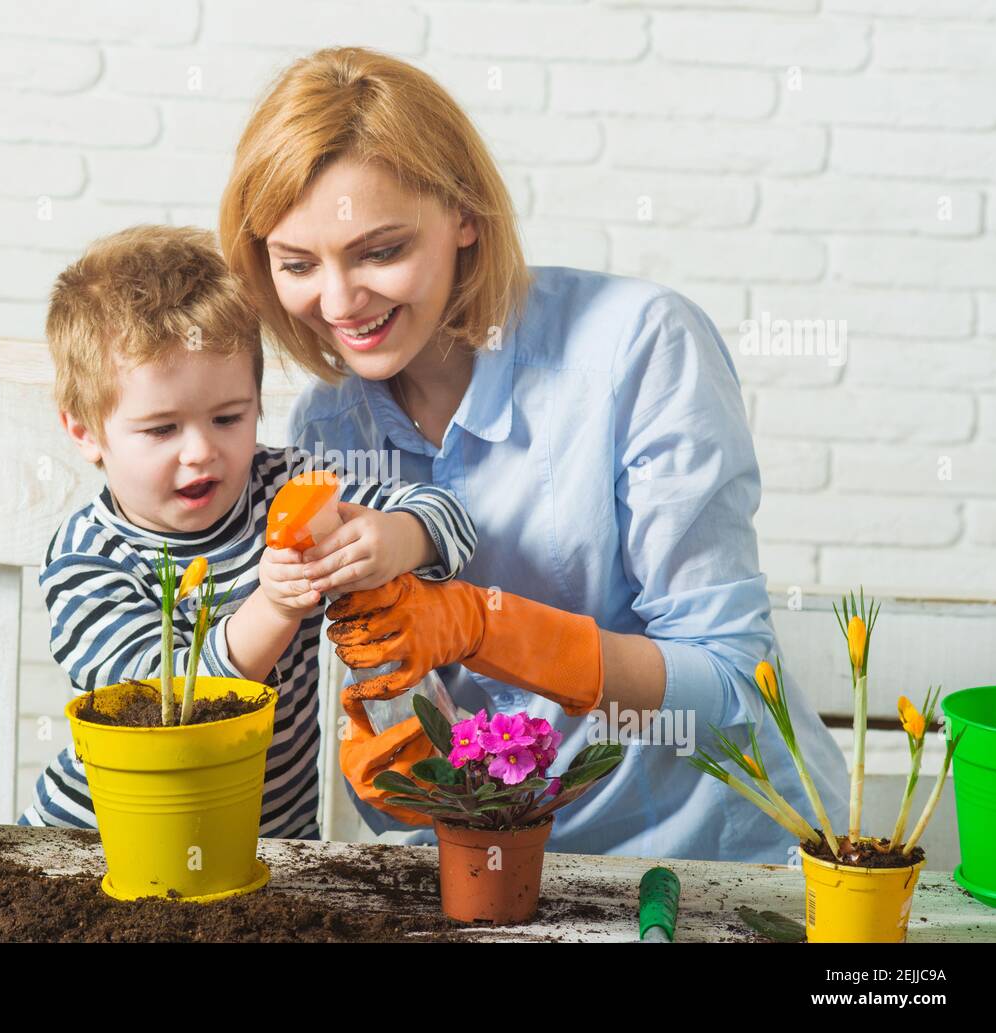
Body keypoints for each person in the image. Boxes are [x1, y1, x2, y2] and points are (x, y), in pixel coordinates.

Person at [218, 47, 847, 862]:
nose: (338, 302)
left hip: (719, 860)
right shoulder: (331, 424)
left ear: (464, 214)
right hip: (495, 866)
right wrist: (399, 742)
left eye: (379, 251)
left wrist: (485, 626)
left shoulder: (640, 348)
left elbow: (731, 687)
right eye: (298, 264)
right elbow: (390, 673)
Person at [18, 224, 477, 837]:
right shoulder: (88, 559)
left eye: (228, 418)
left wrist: (398, 538)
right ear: (85, 432)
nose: (201, 451)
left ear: (258, 403)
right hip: (107, 840)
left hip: (273, 844)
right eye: (162, 429)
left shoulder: (286, 488)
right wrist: (275, 607)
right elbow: (164, 708)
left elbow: (447, 513)